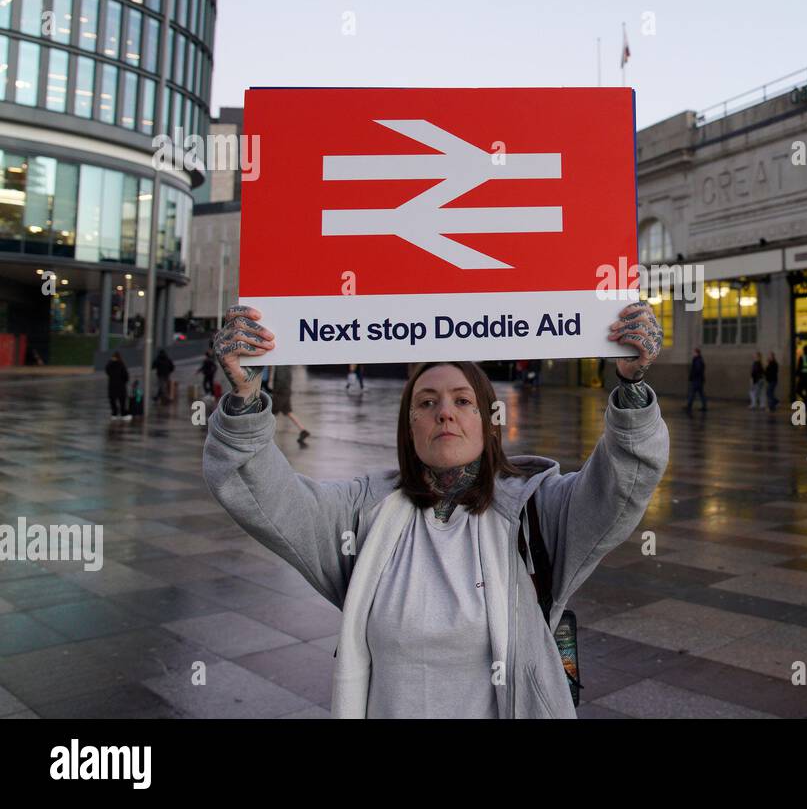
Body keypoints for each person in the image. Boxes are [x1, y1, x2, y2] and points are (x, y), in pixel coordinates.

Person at [203, 301, 668, 719]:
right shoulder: (361, 516)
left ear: (489, 424)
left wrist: (631, 387)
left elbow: (623, 480)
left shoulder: (538, 513)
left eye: (463, 401)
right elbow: (265, 497)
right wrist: (244, 399)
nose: (445, 412)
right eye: (427, 403)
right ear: (409, 428)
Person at [267, 365, 312, 445]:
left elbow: (281, 380)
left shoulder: (281, 365)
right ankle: (303, 430)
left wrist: (275, 391)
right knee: (288, 411)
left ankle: (264, 436)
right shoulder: (287, 365)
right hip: (286, 391)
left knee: (270, 412)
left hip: (281, 393)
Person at [106, 351, 130, 420]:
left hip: (112, 386)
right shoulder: (122, 364)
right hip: (121, 387)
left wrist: (110, 362)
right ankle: (123, 414)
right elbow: (126, 377)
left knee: (112, 401)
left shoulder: (110, 365)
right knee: (122, 401)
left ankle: (114, 414)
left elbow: (107, 371)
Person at [686, 347, 707, 413]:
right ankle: (704, 406)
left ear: (696, 353)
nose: (693, 354)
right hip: (699, 380)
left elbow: (697, 370)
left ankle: (689, 406)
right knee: (700, 394)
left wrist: (692, 376)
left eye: (694, 352)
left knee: (692, 393)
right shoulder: (699, 359)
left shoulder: (697, 360)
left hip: (696, 380)